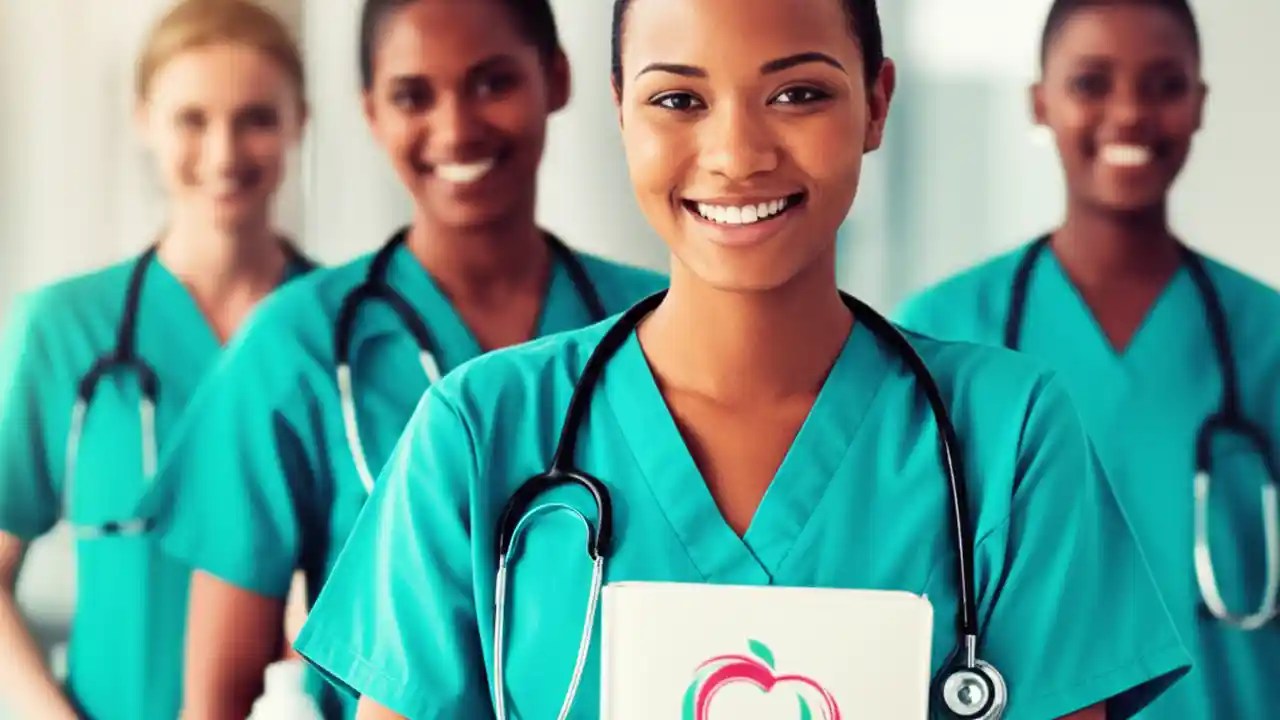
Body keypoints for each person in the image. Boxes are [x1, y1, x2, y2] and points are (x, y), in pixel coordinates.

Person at [292, 0, 1193, 717]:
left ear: (877, 102)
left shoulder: (1009, 433)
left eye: (798, 93)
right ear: (619, 111)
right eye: (678, 99)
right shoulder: (479, 433)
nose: (736, 154)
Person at [146, 0, 668, 718]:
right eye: (412, 95)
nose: (455, 127)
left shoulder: (657, 325)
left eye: (492, 83)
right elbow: (218, 702)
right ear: (370, 113)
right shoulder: (296, 345)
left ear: (557, 76)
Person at [893, 1, 1280, 717]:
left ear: (1199, 104)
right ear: (1040, 102)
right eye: (1091, 83)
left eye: (1165, 84)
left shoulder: (1268, 336)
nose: (1130, 112)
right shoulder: (940, 333)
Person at [0, 1, 314, 718]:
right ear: (145, 120)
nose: (224, 152)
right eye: (192, 119)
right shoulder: (62, 329)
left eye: (257, 118)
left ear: (301, 119)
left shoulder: (345, 335)